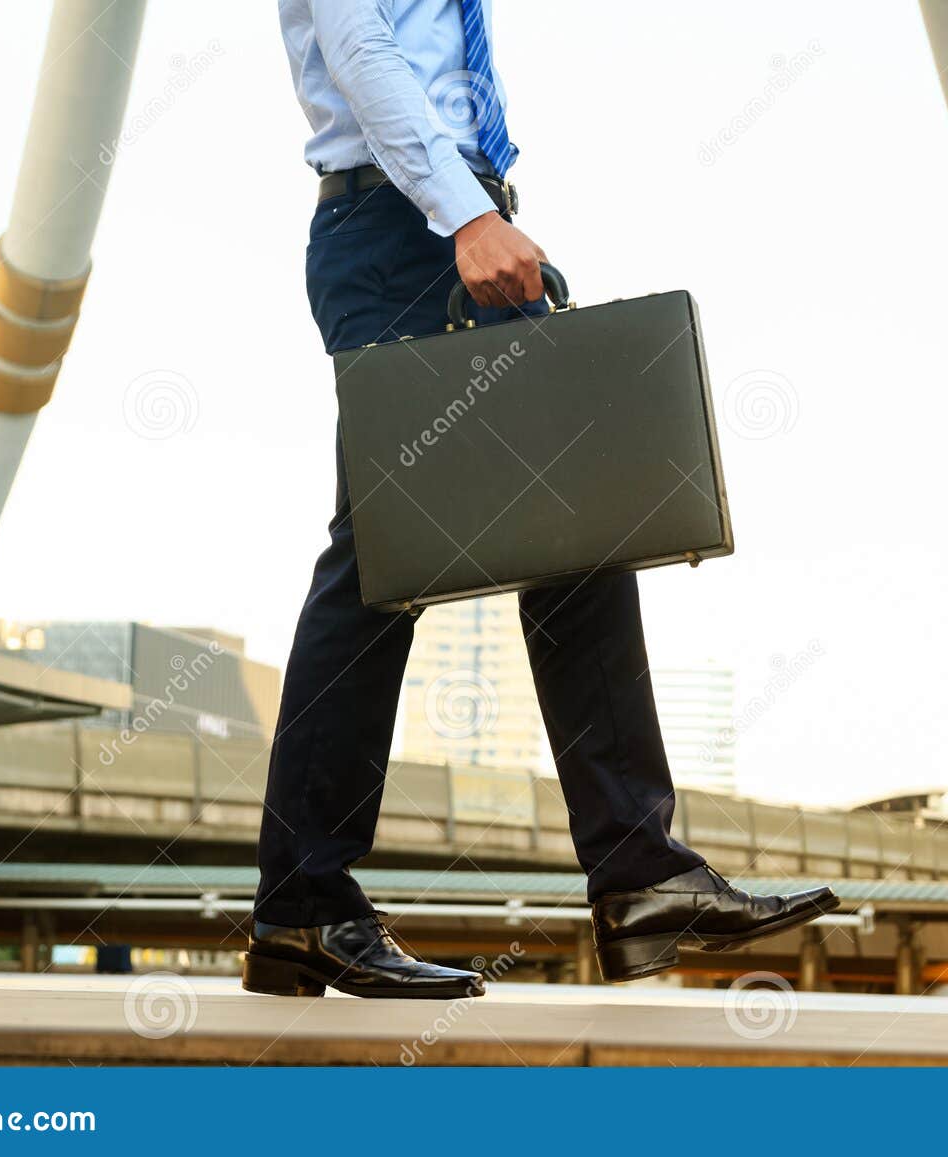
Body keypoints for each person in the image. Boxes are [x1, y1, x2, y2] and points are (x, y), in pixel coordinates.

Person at [247, 0, 836, 999]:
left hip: (448, 213)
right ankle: (302, 907)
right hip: (401, 224)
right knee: (379, 557)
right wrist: (466, 214)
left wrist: (480, 209)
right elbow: (359, 48)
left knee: (576, 528)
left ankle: (640, 877)